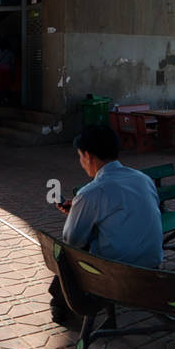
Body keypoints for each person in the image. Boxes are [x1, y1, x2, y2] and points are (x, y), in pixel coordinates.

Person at [50, 124, 165, 325]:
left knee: (69, 255)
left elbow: (72, 241)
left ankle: (63, 306)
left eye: (79, 156)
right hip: (152, 262)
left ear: (88, 156)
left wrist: (77, 212)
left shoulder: (91, 192)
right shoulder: (143, 179)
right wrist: (79, 209)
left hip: (117, 274)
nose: (81, 162)